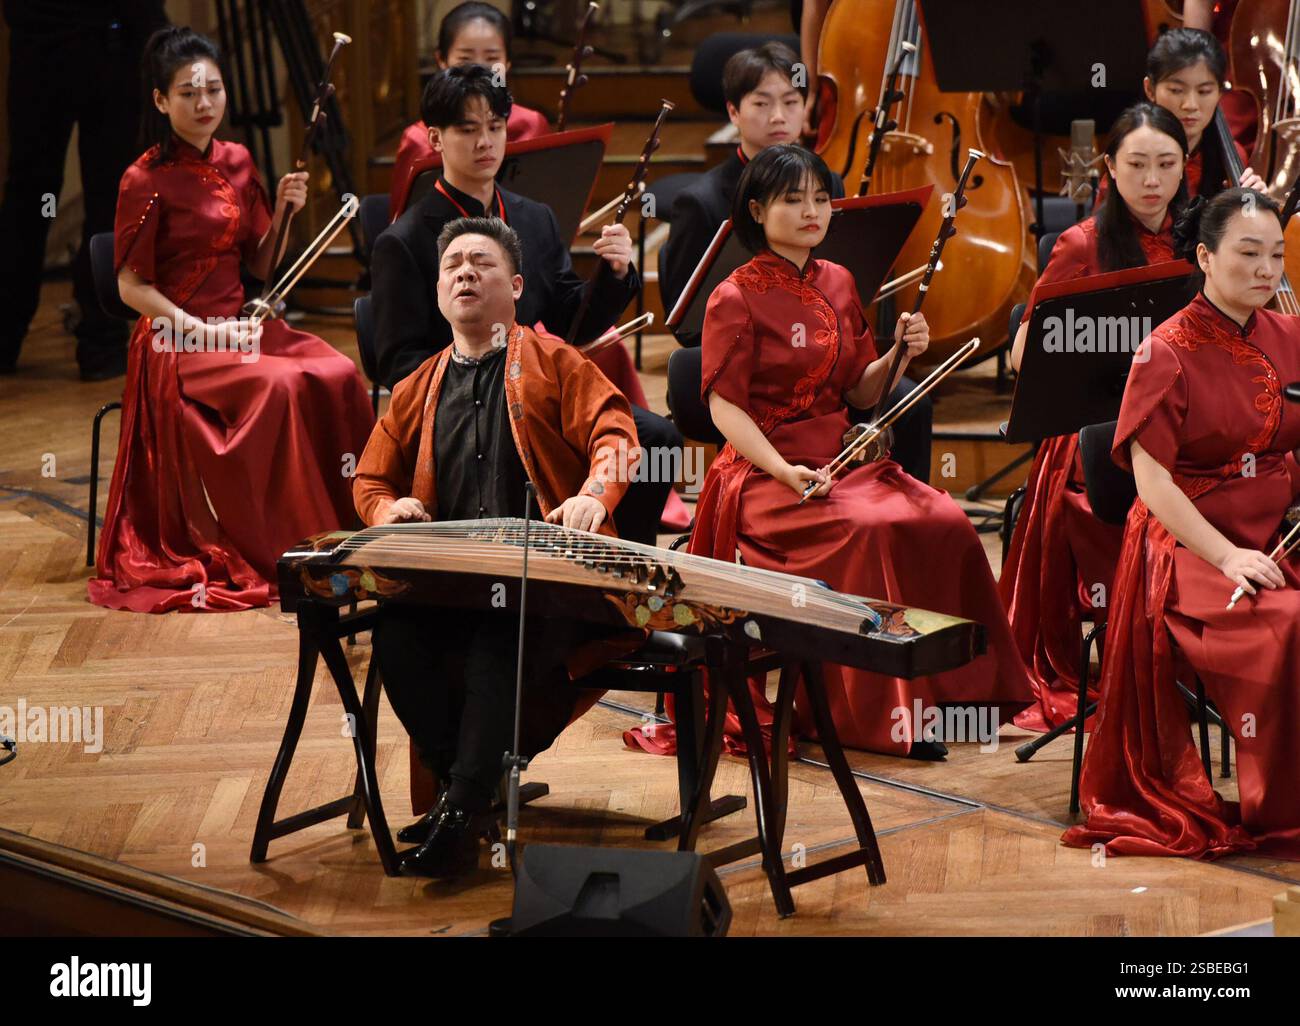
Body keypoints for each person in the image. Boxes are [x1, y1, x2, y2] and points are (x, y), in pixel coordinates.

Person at [629, 145, 1032, 761]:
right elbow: (723, 409)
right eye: (793, 199)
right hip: (764, 476)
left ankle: (956, 698)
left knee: (944, 520)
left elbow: (859, 388)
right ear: (757, 210)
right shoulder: (732, 297)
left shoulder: (839, 280)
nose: (811, 210)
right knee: (866, 531)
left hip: (843, 464)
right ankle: (869, 719)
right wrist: (784, 470)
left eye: (820, 197)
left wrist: (899, 354)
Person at [353, 217, 641, 877]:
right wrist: (385, 508)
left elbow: (616, 432)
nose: (463, 273)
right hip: (450, 583)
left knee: (496, 637)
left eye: (481, 263)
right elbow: (370, 477)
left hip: (549, 584)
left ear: (515, 287)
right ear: (436, 291)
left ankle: (461, 811)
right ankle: (468, 794)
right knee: (396, 635)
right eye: (452, 264)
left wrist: (596, 494)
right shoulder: (418, 385)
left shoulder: (554, 360)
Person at [89, 27, 374, 613]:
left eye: (213, 90)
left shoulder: (240, 161)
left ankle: (357, 531)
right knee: (280, 382)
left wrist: (287, 212)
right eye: (188, 93)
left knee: (338, 369)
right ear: (161, 100)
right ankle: (293, 551)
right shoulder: (142, 178)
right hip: (175, 339)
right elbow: (129, 286)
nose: (203, 104)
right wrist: (206, 331)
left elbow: (262, 264)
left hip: (241, 324)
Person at [1064, 187, 1300, 860]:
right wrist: (1226, 556)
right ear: (1204, 255)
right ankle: (1279, 807)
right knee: (1287, 625)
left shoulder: (1290, 333)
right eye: (1248, 253)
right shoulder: (1165, 351)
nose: (1266, 270)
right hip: (1185, 546)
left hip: (1273, 529)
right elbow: (1153, 483)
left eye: (1276, 256)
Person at [371, 64, 680, 546]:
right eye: (467, 129)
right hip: (455, 395)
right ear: (434, 138)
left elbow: (569, 320)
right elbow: (398, 363)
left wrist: (615, 275)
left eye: (495, 127)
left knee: (657, 438)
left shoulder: (532, 216)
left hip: (531, 382)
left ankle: (618, 572)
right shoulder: (405, 239)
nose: (485, 142)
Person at [658, 41, 933, 484]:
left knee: (911, 407)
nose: (779, 117)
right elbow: (685, 321)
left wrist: (898, 351)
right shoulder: (703, 203)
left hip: (828, 378)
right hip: (759, 384)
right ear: (733, 112)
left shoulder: (835, 263)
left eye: (791, 101)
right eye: (762, 103)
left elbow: (859, 383)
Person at [1002, 103, 1186, 731]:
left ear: (1186, 166)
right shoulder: (1081, 244)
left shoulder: (1200, 240)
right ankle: (1138, 653)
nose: (1153, 180)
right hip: (1096, 432)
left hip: (1183, 425)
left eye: (1167, 164)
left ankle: (1202, 654)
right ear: (1110, 167)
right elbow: (1025, 350)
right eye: (1137, 165)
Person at [0, 0, 167, 378]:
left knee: (34, 195)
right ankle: (100, 341)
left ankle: (7, 336)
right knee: (98, 200)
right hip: (107, 50)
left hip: (41, 50)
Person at [388, 1, 549, 218]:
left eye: (492, 59)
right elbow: (403, 221)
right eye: (465, 59)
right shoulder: (419, 139)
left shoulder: (531, 124)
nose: (479, 70)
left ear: (507, 64)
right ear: (442, 61)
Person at [1095, 29, 1263, 208]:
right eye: (1176, 90)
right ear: (1150, 90)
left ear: (1219, 93)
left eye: (1204, 91)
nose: (1190, 104)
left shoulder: (1232, 153)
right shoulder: (1131, 153)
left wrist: (1254, 209)